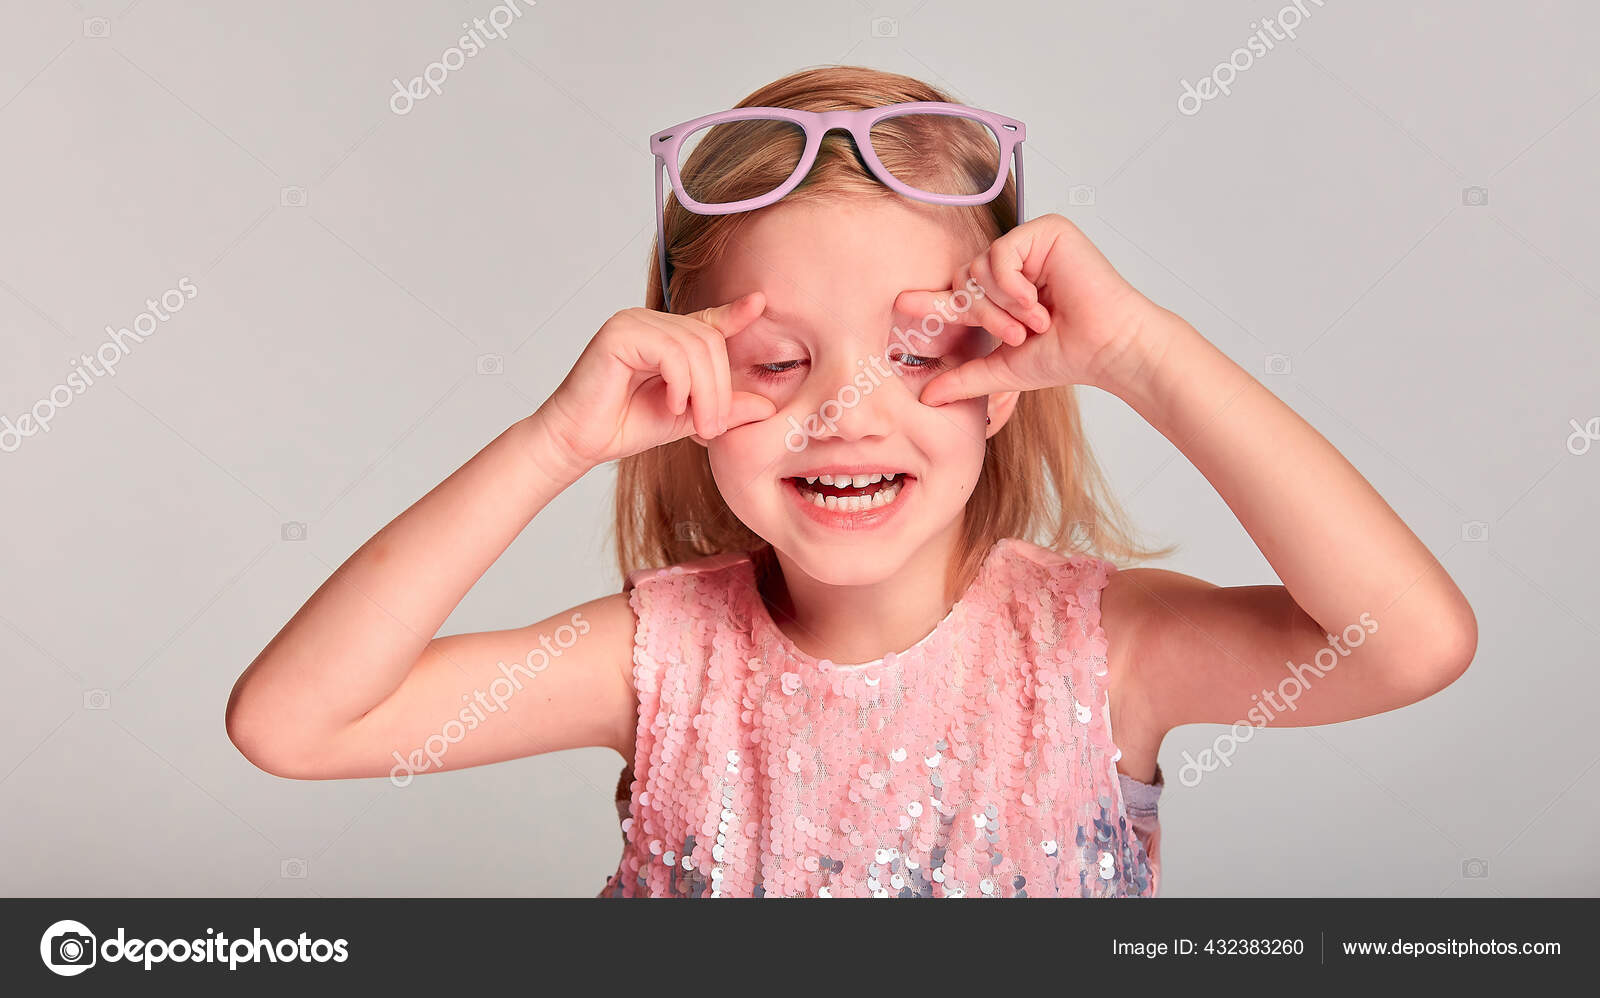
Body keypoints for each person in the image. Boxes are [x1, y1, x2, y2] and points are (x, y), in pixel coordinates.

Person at [226, 66, 1476, 898]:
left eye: (917, 347)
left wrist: (1142, 352)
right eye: (778, 360)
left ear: (1004, 377)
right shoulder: (664, 658)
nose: (842, 412)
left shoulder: (1106, 652)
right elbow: (295, 724)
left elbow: (1405, 643)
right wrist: (550, 442)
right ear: (687, 392)